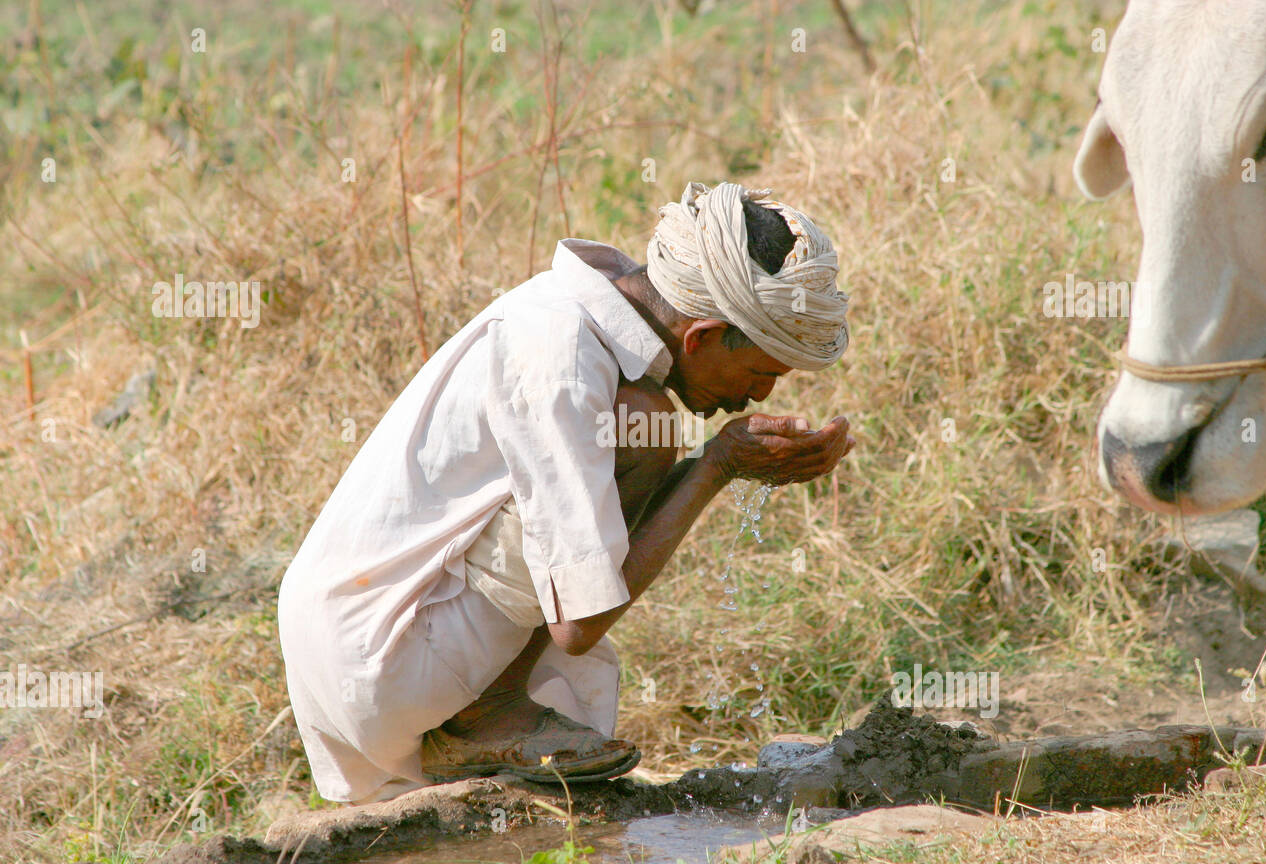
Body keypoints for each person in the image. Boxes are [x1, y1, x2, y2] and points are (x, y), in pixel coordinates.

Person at [277, 181, 855, 805]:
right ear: (702, 336)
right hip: (381, 655)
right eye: (762, 374)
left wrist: (719, 462)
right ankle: (483, 719)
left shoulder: (589, 317)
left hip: (377, 637)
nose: (762, 398)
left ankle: (488, 710)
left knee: (645, 422)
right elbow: (578, 625)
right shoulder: (568, 365)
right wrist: (716, 467)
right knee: (643, 427)